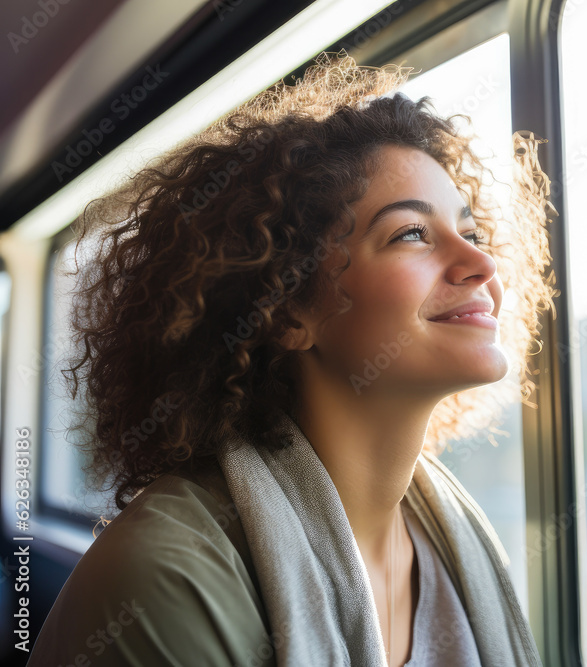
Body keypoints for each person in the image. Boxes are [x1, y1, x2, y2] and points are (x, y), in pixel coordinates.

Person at [27, 50, 555, 666]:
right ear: (286, 310)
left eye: (472, 233)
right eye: (411, 233)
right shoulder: (166, 578)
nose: (482, 264)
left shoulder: (456, 539)